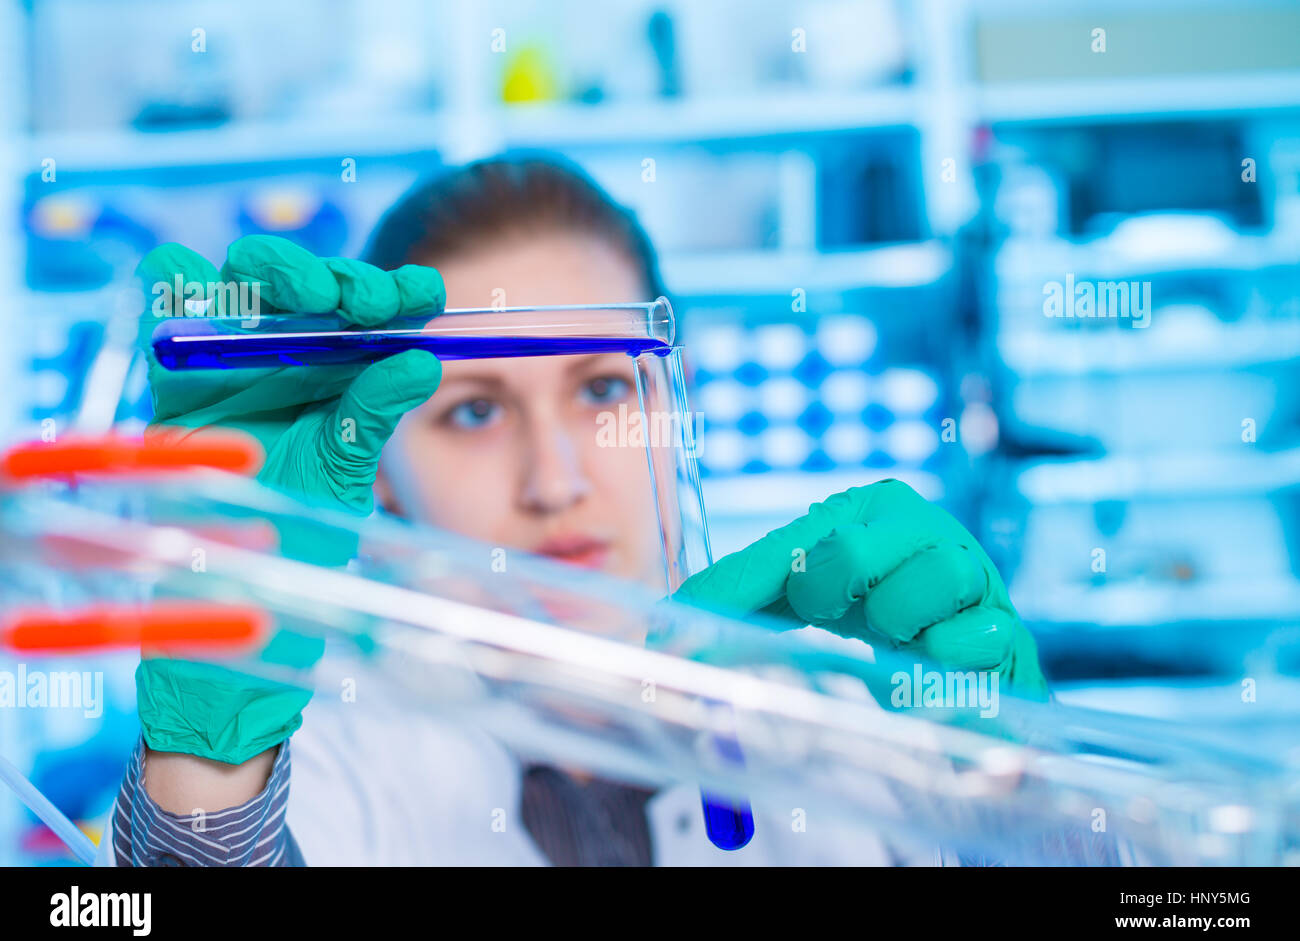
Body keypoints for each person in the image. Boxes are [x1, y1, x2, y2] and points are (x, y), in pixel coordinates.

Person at [102, 156, 1048, 866]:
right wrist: (209, 780)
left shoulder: (852, 727)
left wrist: (1020, 799)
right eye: (474, 412)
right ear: (382, 470)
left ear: (673, 409)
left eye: (602, 390)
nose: (554, 482)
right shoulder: (329, 757)